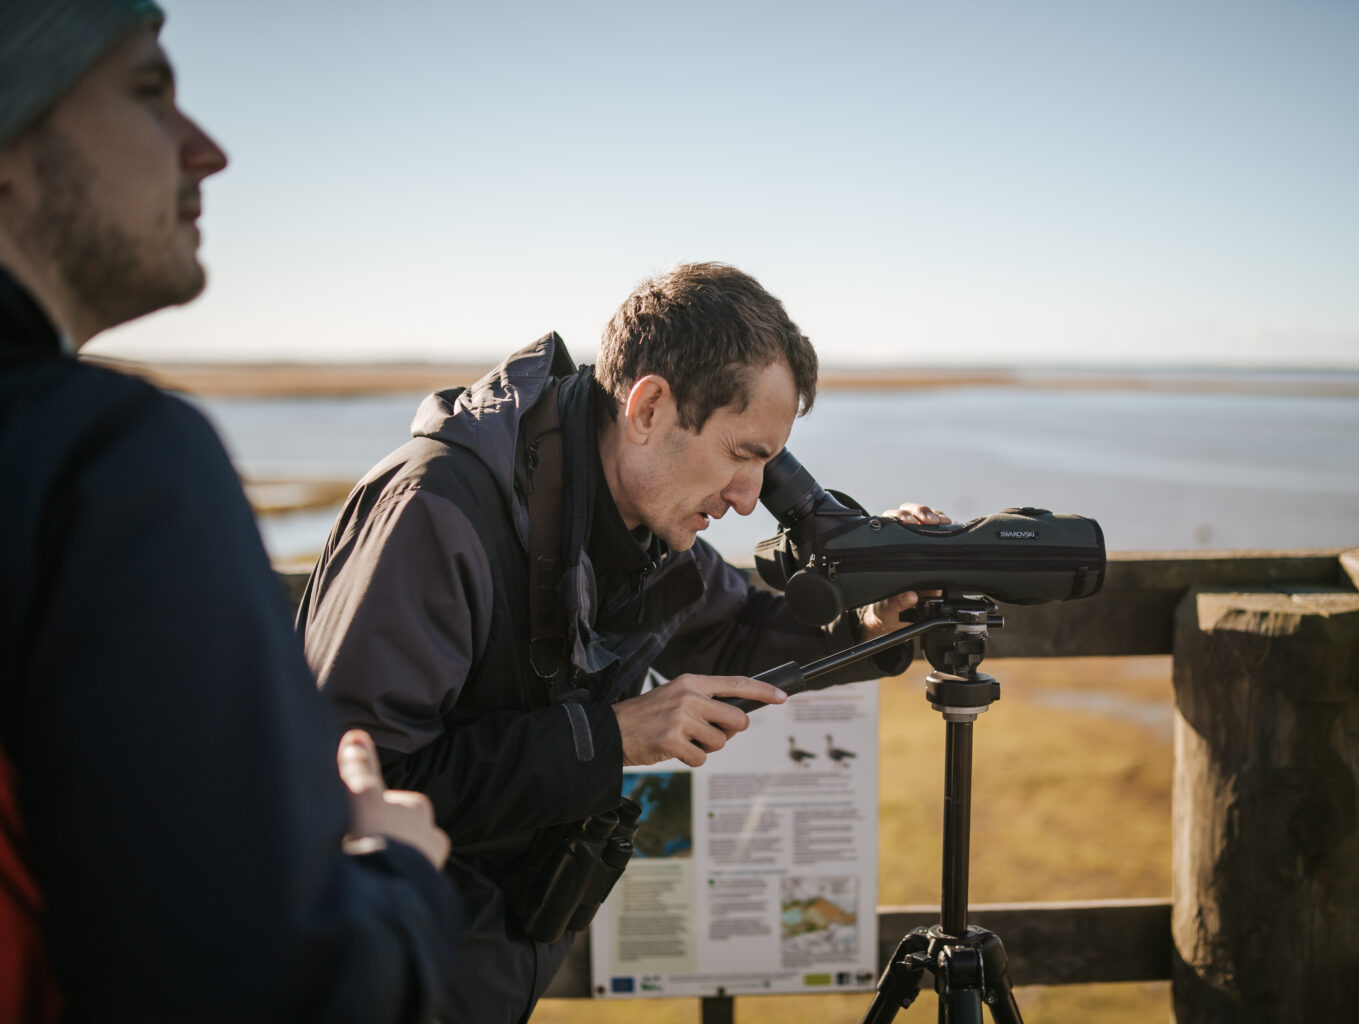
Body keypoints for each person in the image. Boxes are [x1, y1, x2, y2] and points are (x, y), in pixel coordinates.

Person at [298, 261, 949, 1023]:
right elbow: (348, 788)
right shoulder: (436, 513)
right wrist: (610, 739)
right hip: (377, 978)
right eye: (743, 455)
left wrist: (870, 625)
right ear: (648, 407)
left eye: (768, 469)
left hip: (480, 975)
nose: (748, 500)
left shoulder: (639, 522)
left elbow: (737, 631)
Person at [0, 2, 460, 1019]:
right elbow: (279, 989)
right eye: (146, 92)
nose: (207, 149)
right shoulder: (105, 463)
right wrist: (397, 867)